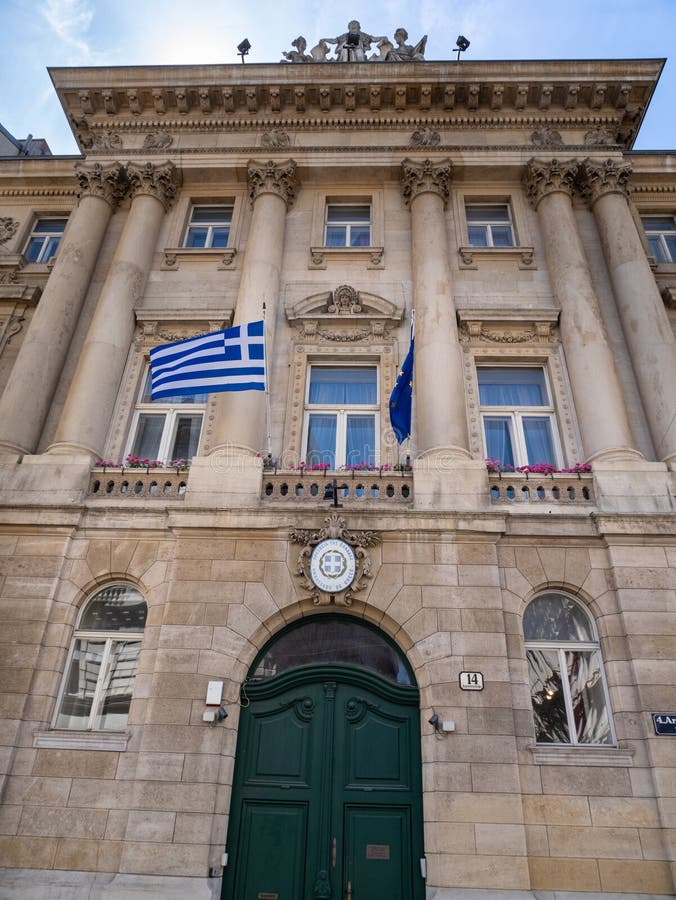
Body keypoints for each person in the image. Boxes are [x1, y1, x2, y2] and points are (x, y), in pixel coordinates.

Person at [321, 20, 387, 63]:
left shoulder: (362, 35)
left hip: (358, 49)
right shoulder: (345, 36)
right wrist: (325, 40)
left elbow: (373, 38)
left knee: (360, 57)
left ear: (359, 28)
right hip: (346, 50)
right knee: (346, 46)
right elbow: (334, 40)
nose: (353, 25)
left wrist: (382, 38)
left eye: (355, 24)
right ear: (349, 28)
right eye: (351, 25)